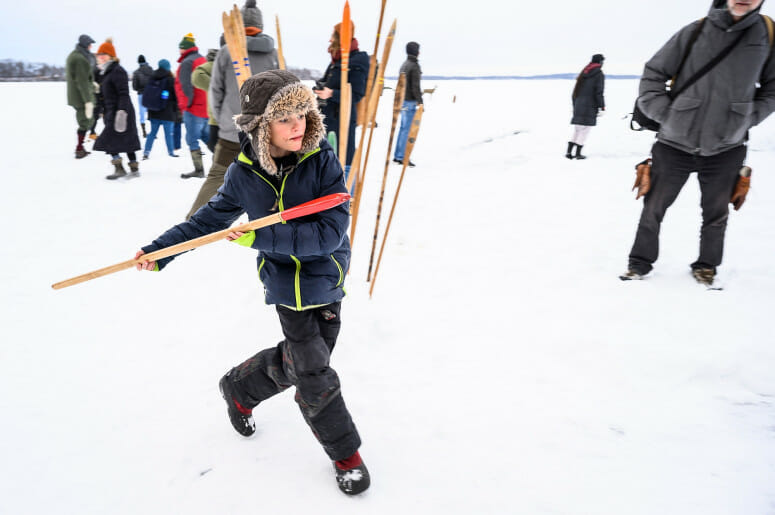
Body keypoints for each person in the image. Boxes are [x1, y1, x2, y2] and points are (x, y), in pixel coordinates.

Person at [133, 70, 369, 496]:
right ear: (261, 126)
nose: (298, 125)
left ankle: (240, 387)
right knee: (313, 371)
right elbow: (205, 222)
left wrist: (260, 237)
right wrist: (160, 250)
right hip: (286, 285)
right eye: (285, 118)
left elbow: (328, 235)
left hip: (326, 275)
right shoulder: (244, 175)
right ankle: (346, 456)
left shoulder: (322, 160)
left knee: (304, 361)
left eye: (302, 113)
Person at [620, 0, 775, 286]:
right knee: (653, 208)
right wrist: (667, 116)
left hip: (726, 147)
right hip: (673, 143)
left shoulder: (767, 36)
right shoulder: (695, 31)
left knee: (717, 214)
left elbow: (773, 87)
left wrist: (748, 118)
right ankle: (639, 263)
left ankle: (707, 266)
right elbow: (653, 73)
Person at [184, 0, 279, 220]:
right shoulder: (272, 54)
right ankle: (268, 225)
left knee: (219, 175)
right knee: (267, 179)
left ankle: (194, 223)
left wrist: (223, 120)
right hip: (263, 130)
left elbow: (216, 91)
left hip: (232, 129)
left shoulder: (227, 51)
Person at [313, 20, 369, 176]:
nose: (330, 39)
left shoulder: (357, 60)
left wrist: (331, 93)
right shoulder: (337, 60)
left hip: (342, 120)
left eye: (333, 36)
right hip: (327, 117)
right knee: (325, 161)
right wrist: (320, 88)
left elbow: (357, 93)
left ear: (341, 37)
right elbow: (329, 82)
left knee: (343, 161)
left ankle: (346, 190)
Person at [93, 38, 142, 180]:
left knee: (123, 140)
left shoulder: (117, 71)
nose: (101, 57)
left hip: (121, 112)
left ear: (111, 56)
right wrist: (99, 110)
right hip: (110, 111)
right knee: (116, 140)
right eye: (99, 54)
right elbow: (102, 95)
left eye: (104, 54)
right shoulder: (104, 72)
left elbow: (123, 93)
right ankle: (121, 168)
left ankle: (131, 168)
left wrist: (121, 113)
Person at [175, 33, 210, 179]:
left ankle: (199, 170)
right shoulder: (202, 59)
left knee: (192, 139)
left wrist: (186, 105)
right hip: (206, 106)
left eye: (180, 48)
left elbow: (185, 85)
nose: (179, 50)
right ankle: (227, 163)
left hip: (193, 108)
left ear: (184, 48)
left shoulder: (187, 62)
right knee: (207, 137)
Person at [566, 54, 605, 160]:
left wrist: (575, 105)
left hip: (578, 104)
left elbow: (575, 92)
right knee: (585, 130)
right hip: (590, 105)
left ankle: (569, 152)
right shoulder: (599, 74)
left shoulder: (584, 72)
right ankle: (578, 153)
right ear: (600, 62)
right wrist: (602, 106)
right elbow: (599, 92)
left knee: (578, 129)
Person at [392, 41, 423, 168]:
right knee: (408, 130)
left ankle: (398, 155)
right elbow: (415, 86)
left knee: (403, 129)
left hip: (403, 100)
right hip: (410, 101)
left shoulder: (404, 64)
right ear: (416, 52)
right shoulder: (414, 66)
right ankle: (402, 156)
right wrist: (420, 101)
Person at [66, 34, 96, 159]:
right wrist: (88, 101)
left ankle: (80, 147)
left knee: (86, 120)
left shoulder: (74, 55)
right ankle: (79, 149)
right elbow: (82, 81)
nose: (91, 47)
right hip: (81, 97)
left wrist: (92, 84)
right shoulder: (80, 59)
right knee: (85, 121)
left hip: (77, 95)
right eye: (90, 45)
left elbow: (82, 77)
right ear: (85, 45)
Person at [142, 59, 179, 159]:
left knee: (152, 133)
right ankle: (171, 152)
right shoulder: (170, 79)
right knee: (168, 134)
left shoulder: (152, 77)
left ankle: (146, 152)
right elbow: (175, 96)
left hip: (154, 111)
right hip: (168, 111)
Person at [191, 48, 219, 155]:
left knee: (215, 147)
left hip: (216, 115)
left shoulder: (212, 65)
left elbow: (196, 76)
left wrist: (216, 88)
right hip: (232, 113)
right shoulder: (231, 66)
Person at [132, 55, 154, 138]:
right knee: (151, 111)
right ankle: (153, 131)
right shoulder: (151, 70)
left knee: (142, 112)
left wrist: (139, 89)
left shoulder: (136, 72)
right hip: (151, 93)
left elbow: (134, 87)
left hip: (141, 93)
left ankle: (144, 131)